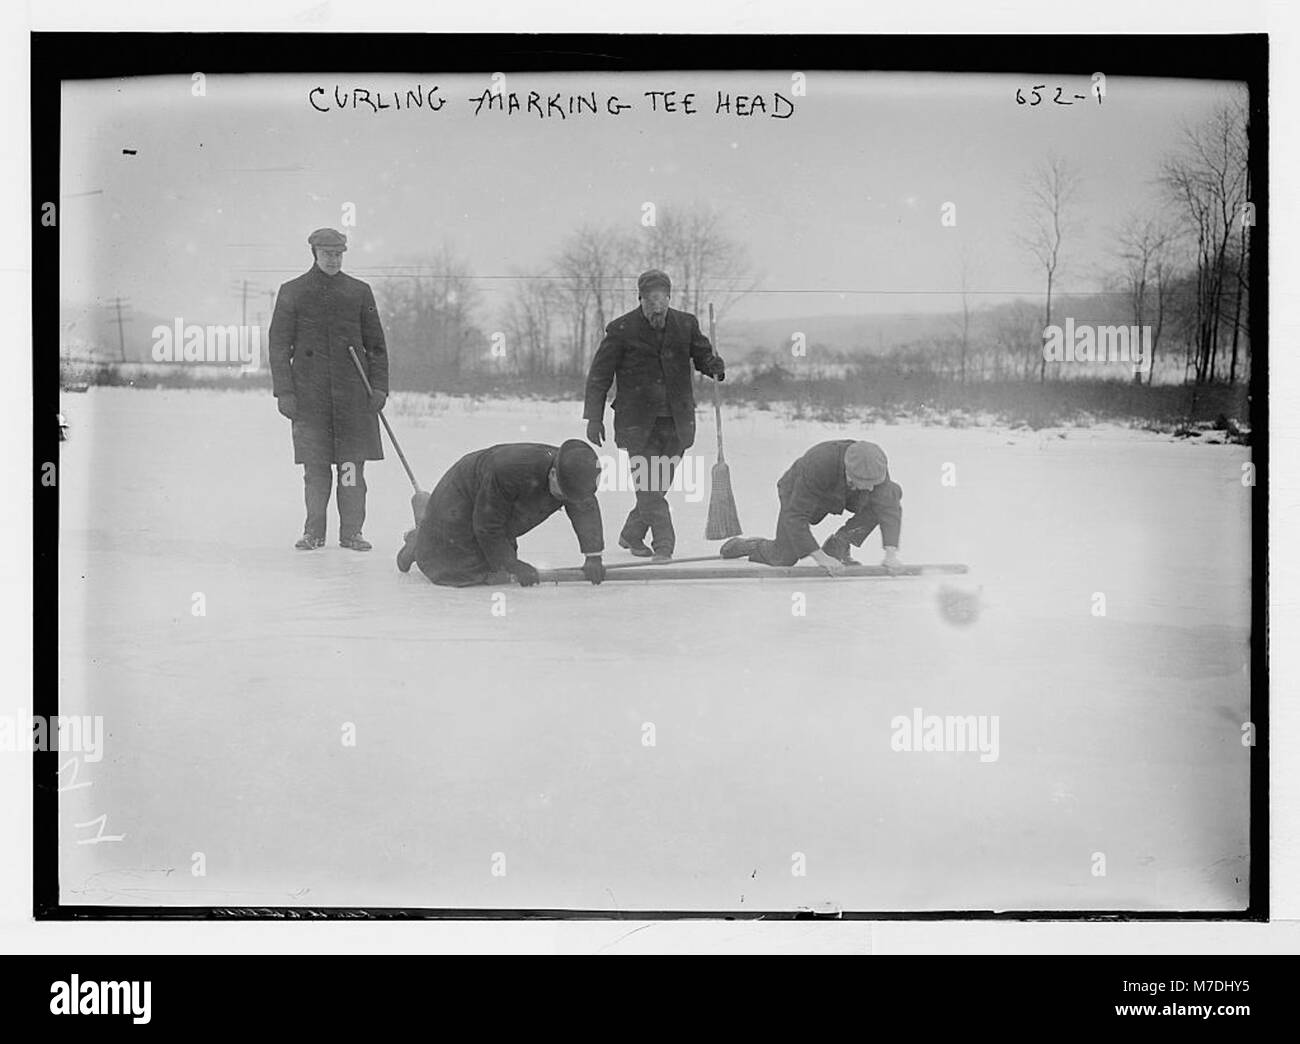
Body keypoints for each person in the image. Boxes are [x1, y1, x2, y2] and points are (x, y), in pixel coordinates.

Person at [583, 269, 725, 560]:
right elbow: (599, 376)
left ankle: (631, 535)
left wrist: (713, 364)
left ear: (669, 298)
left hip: (676, 424)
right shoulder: (621, 329)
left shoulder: (685, 324)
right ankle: (664, 545)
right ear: (641, 299)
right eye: (651, 301)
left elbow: (702, 358)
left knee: (656, 487)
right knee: (648, 486)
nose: (657, 307)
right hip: (637, 424)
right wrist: (594, 417)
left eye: (662, 300)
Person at [268, 227, 389, 551]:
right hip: (311, 398)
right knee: (316, 469)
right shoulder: (293, 291)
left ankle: (352, 533)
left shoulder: (358, 292)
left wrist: (378, 388)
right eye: (327, 254)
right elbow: (279, 347)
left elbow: (376, 346)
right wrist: (286, 392)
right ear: (315, 254)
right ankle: (313, 533)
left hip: (353, 398)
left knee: (350, 471)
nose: (333, 259)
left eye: (338, 254)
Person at [396, 440, 606, 587]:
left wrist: (593, 556)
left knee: (494, 565)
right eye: (562, 493)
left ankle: (426, 531)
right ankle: (419, 541)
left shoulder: (572, 473)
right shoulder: (510, 471)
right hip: (461, 496)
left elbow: (585, 507)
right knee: (458, 570)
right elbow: (488, 525)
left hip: (494, 506)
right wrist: (511, 564)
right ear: (552, 474)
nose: (563, 499)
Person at [721, 440, 904, 575]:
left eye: (874, 483)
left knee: (890, 494)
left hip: (845, 493)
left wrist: (891, 553)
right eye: (867, 483)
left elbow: (889, 508)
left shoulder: (874, 465)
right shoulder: (818, 462)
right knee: (784, 558)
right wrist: (820, 558)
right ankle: (750, 546)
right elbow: (796, 516)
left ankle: (839, 543)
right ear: (849, 473)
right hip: (797, 493)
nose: (872, 488)